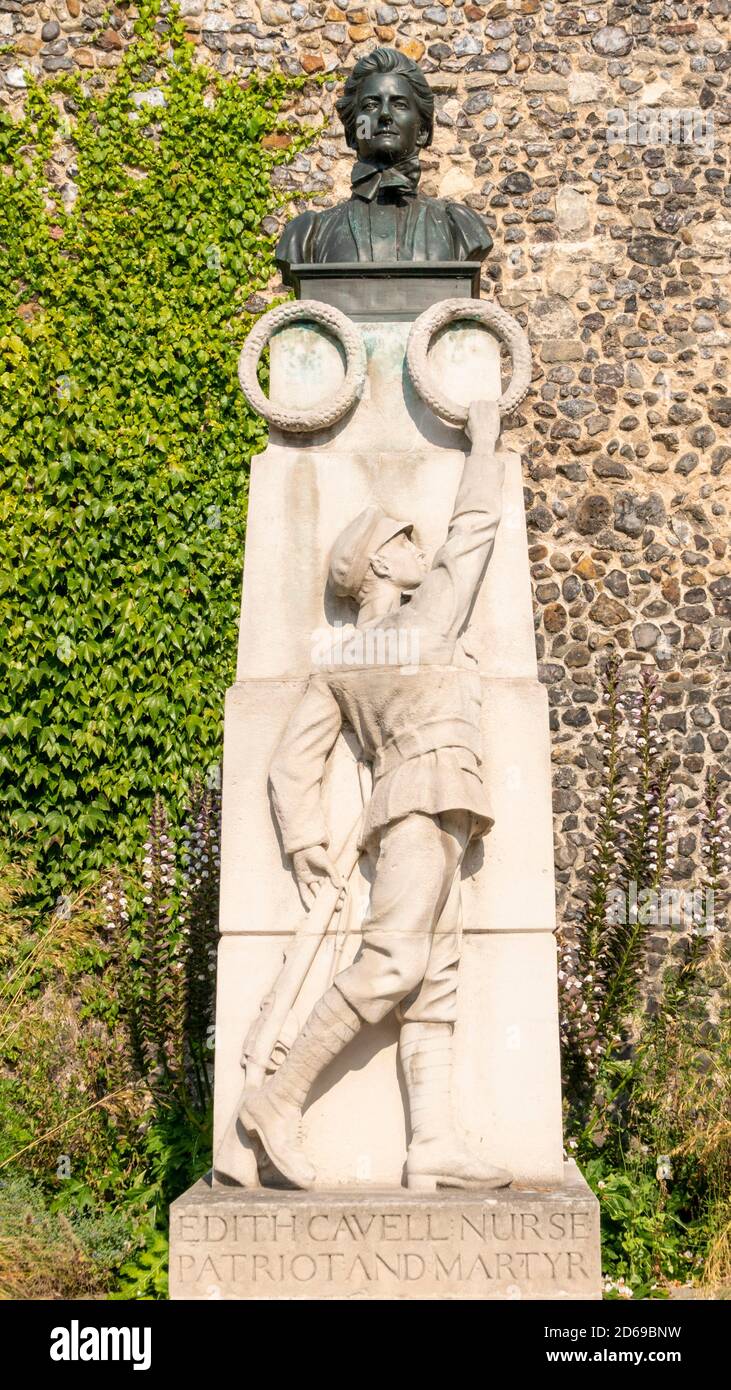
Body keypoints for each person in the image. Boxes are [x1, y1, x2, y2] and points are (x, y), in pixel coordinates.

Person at [239, 400, 512, 1192]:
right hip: (424, 801)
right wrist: (485, 443)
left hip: (430, 804)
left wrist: (304, 845)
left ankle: (432, 1144)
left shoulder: (342, 660)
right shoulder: (426, 619)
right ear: (380, 569)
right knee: (395, 961)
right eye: (401, 541)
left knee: (438, 971)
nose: (417, 547)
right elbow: (472, 531)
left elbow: (292, 764)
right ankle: (277, 1098)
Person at [275, 46, 493, 282]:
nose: (385, 115)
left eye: (399, 104)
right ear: (352, 133)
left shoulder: (459, 230)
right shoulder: (308, 236)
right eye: (371, 105)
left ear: (421, 131)